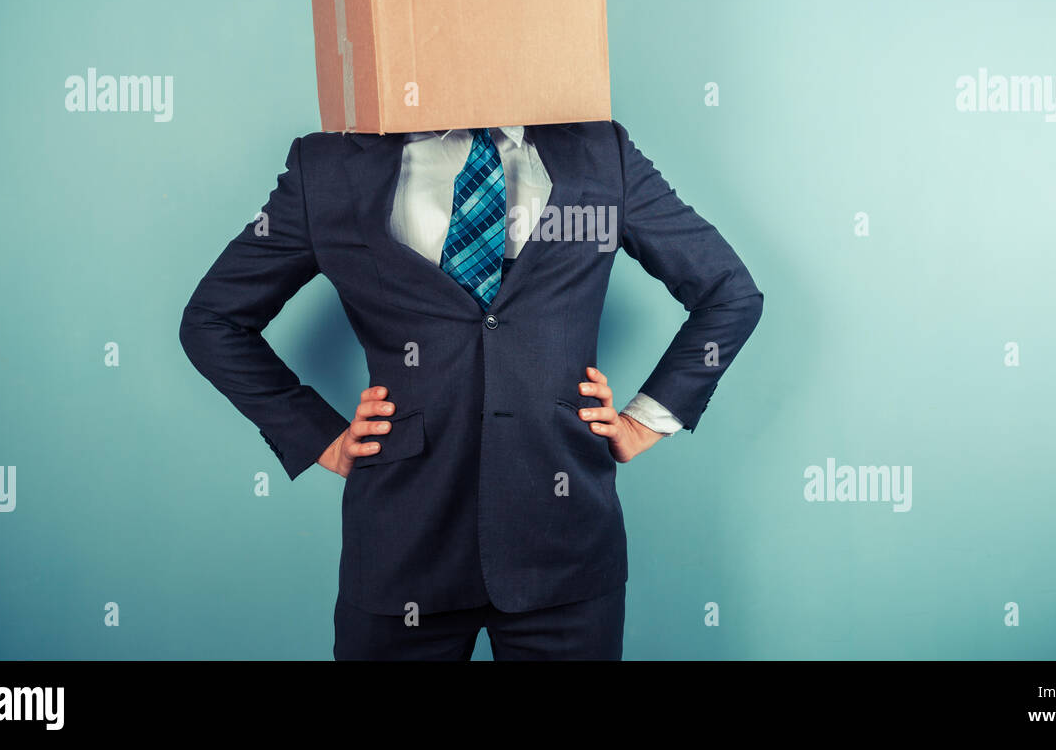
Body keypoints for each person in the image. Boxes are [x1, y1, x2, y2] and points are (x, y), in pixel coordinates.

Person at [179, 119, 762, 659]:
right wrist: (319, 436)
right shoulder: (328, 166)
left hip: (565, 546)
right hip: (402, 545)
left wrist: (648, 418)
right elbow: (213, 321)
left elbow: (729, 294)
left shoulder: (599, 151)